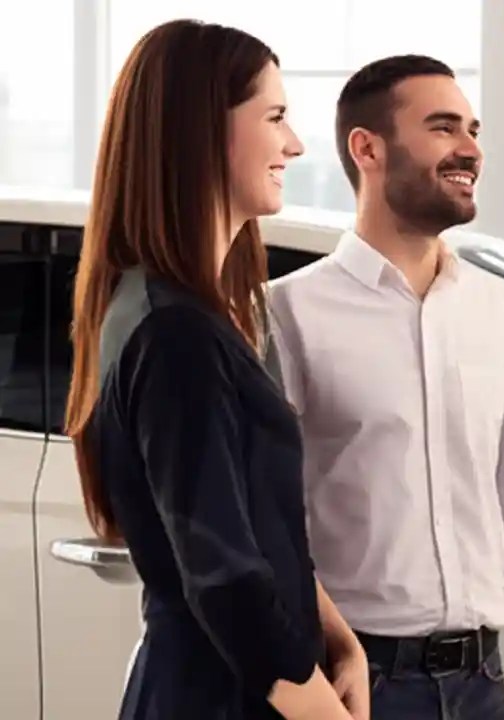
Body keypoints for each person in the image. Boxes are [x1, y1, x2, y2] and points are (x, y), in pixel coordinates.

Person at [265, 55, 504, 720]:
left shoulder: (498, 313)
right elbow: (267, 526)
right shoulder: (285, 314)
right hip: (351, 687)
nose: (471, 150)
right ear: (368, 148)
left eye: (473, 130)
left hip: (483, 686)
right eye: (444, 128)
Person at [63, 19, 367, 720]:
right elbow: (225, 578)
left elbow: (260, 530)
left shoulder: (195, 313)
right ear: (204, 131)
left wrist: (338, 641)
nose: (293, 144)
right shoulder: (175, 335)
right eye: (276, 116)